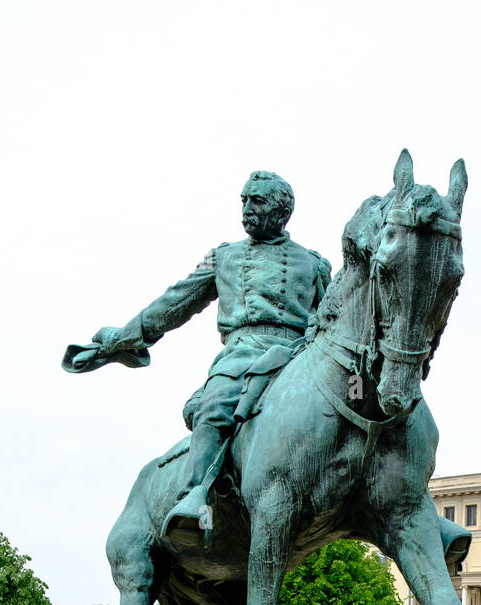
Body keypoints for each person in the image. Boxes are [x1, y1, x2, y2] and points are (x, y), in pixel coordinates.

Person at [64, 171, 332, 525]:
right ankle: (193, 497)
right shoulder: (221, 257)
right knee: (214, 408)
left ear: (281, 211)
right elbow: (176, 301)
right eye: (244, 200)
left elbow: (329, 317)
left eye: (257, 202)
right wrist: (123, 338)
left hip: (299, 355)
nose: (247, 209)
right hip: (243, 352)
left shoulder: (315, 264)